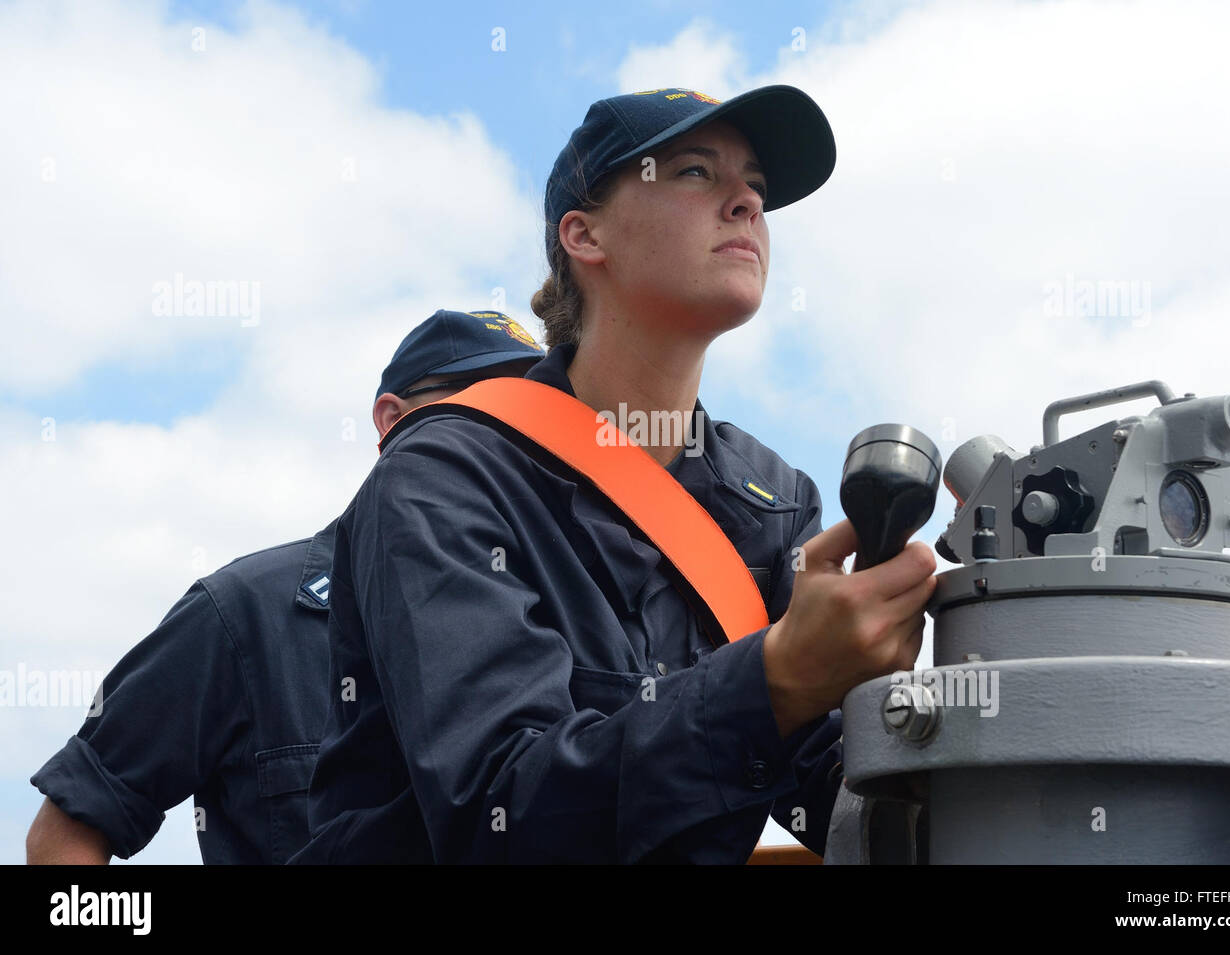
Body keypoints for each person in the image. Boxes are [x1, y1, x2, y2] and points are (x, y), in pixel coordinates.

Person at [295, 85, 936, 864]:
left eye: (757, 187)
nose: (746, 203)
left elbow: (830, 790)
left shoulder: (772, 498)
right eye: (696, 171)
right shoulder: (443, 476)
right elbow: (498, 810)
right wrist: (775, 681)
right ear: (584, 234)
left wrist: (940, 738)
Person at [25, 309, 545, 864]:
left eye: (535, 412)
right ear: (392, 419)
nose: (512, 432)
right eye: (482, 403)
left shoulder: (573, 616)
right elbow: (69, 830)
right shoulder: (246, 614)